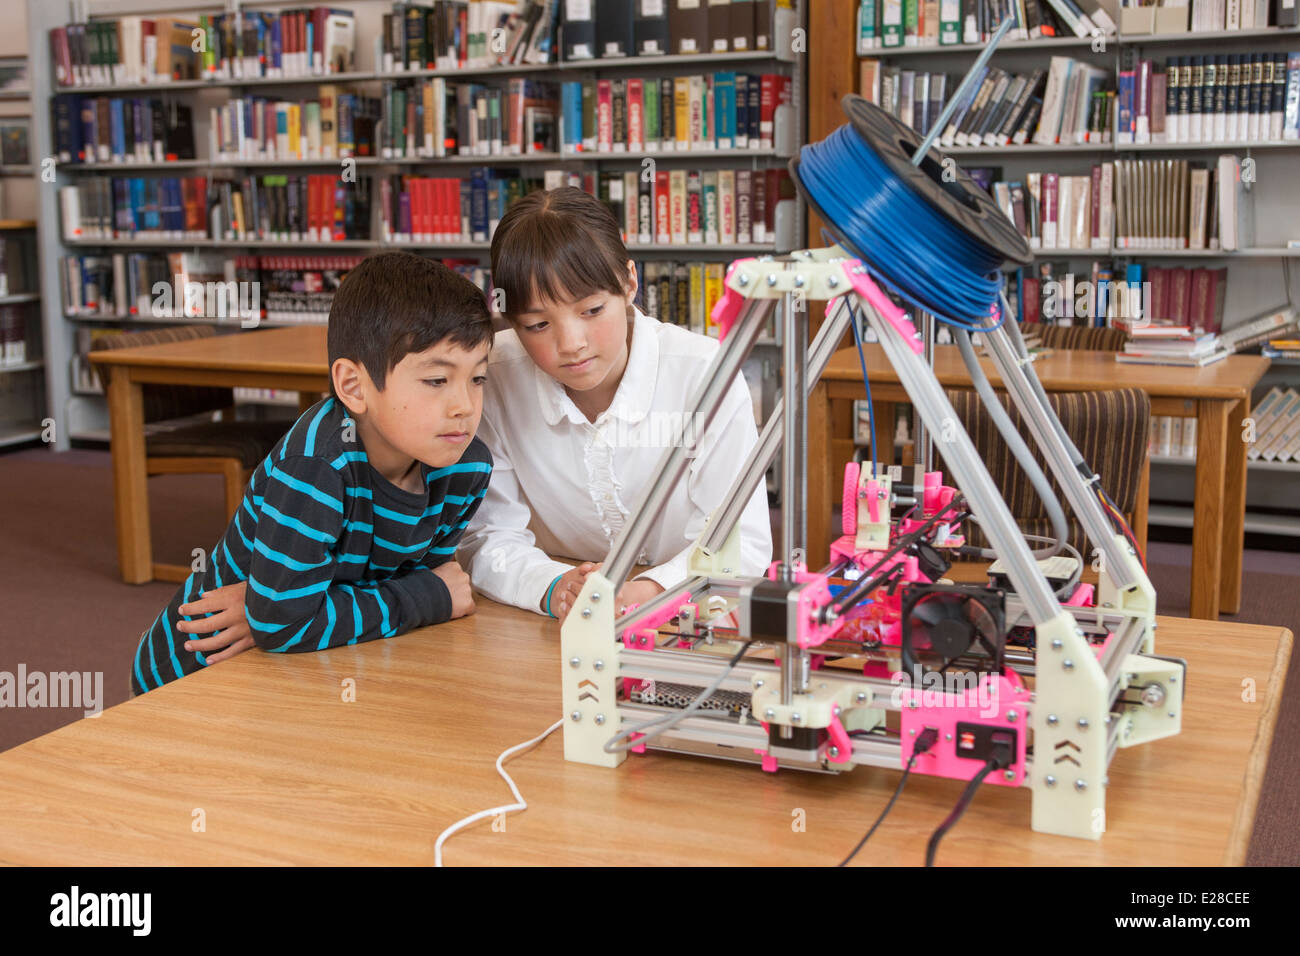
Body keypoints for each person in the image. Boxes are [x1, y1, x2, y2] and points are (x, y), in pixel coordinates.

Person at [130, 252, 493, 694]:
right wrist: (427, 599)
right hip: (189, 679)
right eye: (437, 380)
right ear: (354, 387)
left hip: (301, 668)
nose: (465, 406)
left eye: (478, 379)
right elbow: (285, 625)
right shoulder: (318, 467)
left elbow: (428, 579)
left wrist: (303, 608)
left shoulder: (465, 465)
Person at [458, 187, 772, 621]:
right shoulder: (492, 376)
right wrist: (554, 588)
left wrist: (642, 592)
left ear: (629, 282)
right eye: (537, 324)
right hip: (549, 622)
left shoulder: (705, 373)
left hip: (686, 614)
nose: (571, 345)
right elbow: (487, 537)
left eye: (591, 310)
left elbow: (741, 541)